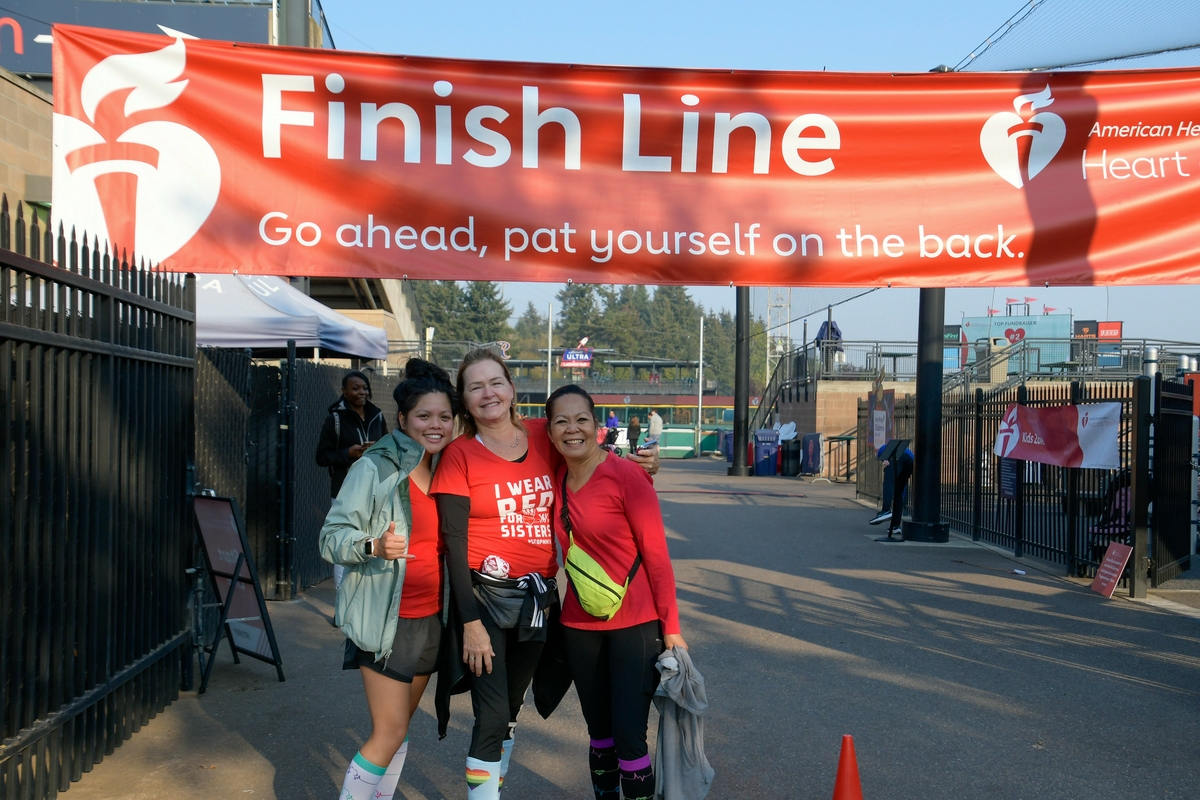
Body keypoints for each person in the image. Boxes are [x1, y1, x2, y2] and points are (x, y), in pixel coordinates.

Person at [431, 349, 661, 800]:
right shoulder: (459, 455)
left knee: (510, 712)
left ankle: (494, 787)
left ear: (512, 388)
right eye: (475, 387)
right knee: (493, 715)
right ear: (464, 399)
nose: (488, 393)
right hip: (484, 600)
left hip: (537, 601)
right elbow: (453, 546)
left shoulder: (542, 433)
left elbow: (586, 447)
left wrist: (638, 463)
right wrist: (470, 624)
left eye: (495, 382)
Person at [319, 359, 460, 800]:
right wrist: (374, 547)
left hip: (432, 618)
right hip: (387, 621)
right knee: (389, 731)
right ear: (402, 419)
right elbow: (331, 537)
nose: (434, 425)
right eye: (424, 416)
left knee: (399, 732)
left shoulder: (450, 466)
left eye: (444, 417)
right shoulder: (375, 468)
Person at [545, 385, 685, 800]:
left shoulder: (627, 475)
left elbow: (657, 558)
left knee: (628, 736)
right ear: (549, 432)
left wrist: (672, 628)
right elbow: (506, 424)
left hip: (636, 625)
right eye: (561, 421)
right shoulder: (554, 476)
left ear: (598, 427)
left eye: (582, 419)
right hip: (577, 625)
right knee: (599, 732)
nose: (572, 429)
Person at [316, 370, 388, 588]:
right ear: (344, 391)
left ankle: (364, 600)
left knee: (370, 544)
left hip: (374, 491)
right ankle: (341, 606)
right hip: (344, 492)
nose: (361, 392)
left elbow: (387, 448)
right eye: (355, 388)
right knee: (343, 544)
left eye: (364, 388)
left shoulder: (377, 415)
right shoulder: (335, 419)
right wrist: (346, 454)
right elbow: (322, 456)